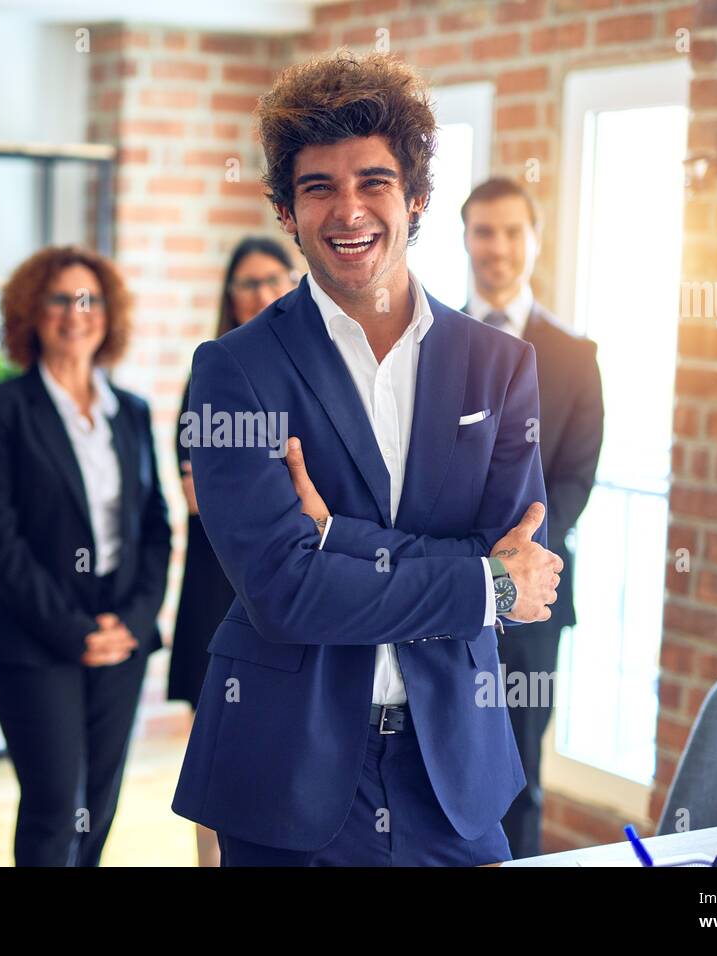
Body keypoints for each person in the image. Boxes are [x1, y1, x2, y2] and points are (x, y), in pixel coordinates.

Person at [171, 50, 563, 867]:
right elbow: (283, 592)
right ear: (286, 210)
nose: (348, 211)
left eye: (373, 182)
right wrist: (480, 585)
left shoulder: (501, 366)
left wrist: (337, 541)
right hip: (286, 773)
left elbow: (517, 560)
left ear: (416, 198)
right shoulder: (235, 370)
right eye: (318, 187)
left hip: (451, 770)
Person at [0, 245, 171, 867]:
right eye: (60, 299)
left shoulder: (129, 412)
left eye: (90, 299)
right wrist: (73, 630)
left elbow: (155, 527)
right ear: (31, 312)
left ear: (108, 315)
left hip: (121, 634)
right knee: (55, 805)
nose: (75, 313)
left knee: (99, 807)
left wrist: (132, 622)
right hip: (34, 635)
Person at [460, 177, 604, 859]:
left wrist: (516, 558)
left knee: (518, 769)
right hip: (441, 585)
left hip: (536, 595)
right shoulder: (436, 341)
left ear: (536, 239)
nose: (499, 247)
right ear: (465, 238)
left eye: (513, 231)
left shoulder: (577, 357)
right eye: (485, 231)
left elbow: (575, 476)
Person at [168, 236, 294, 867]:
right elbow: (206, 498)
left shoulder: (313, 373)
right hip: (219, 592)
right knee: (219, 764)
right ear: (229, 295)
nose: (261, 292)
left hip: (293, 588)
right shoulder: (211, 373)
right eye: (246, 282)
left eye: (272, 278)